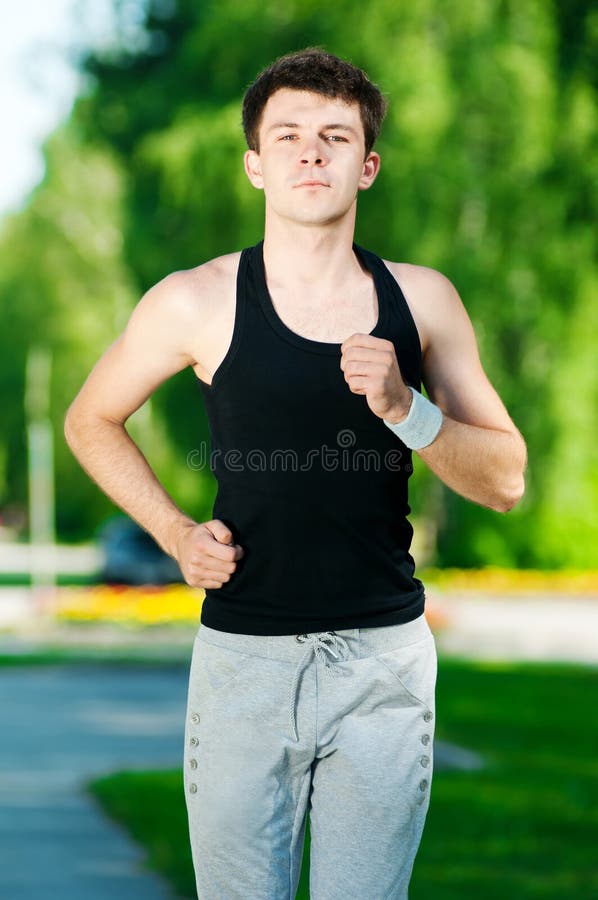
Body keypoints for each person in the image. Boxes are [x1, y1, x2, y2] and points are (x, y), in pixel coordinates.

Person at [64, 47, 527, 900]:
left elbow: (505, 479)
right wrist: (174, 533)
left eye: (335, 136)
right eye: (287, 136)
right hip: (245, 662)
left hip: (383, 664)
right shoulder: (194, 300)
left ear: (368, 165)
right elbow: (89, 419)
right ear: (255, 164)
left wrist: (407, 408)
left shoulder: (423, 301)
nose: (311, 152)